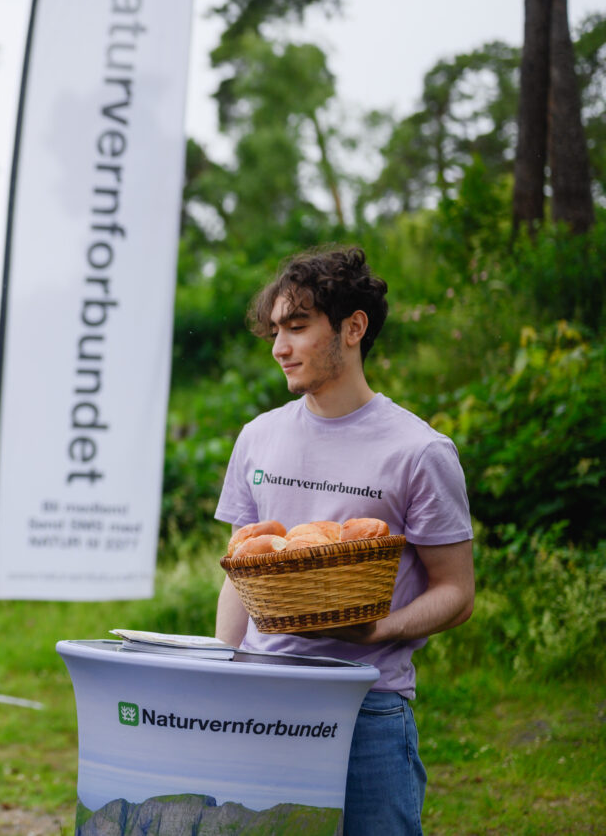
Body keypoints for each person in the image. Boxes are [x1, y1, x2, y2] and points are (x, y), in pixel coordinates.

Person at [214, 245, 474, 836]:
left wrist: (376, 630)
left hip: (367, 707)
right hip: (264, 698)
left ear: (353, 328)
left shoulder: (420, 451)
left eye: (298, 327)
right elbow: (240, 572)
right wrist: (223, 671)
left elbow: (456, 592)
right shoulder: (258, 437)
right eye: (276, 330)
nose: (279, 347)